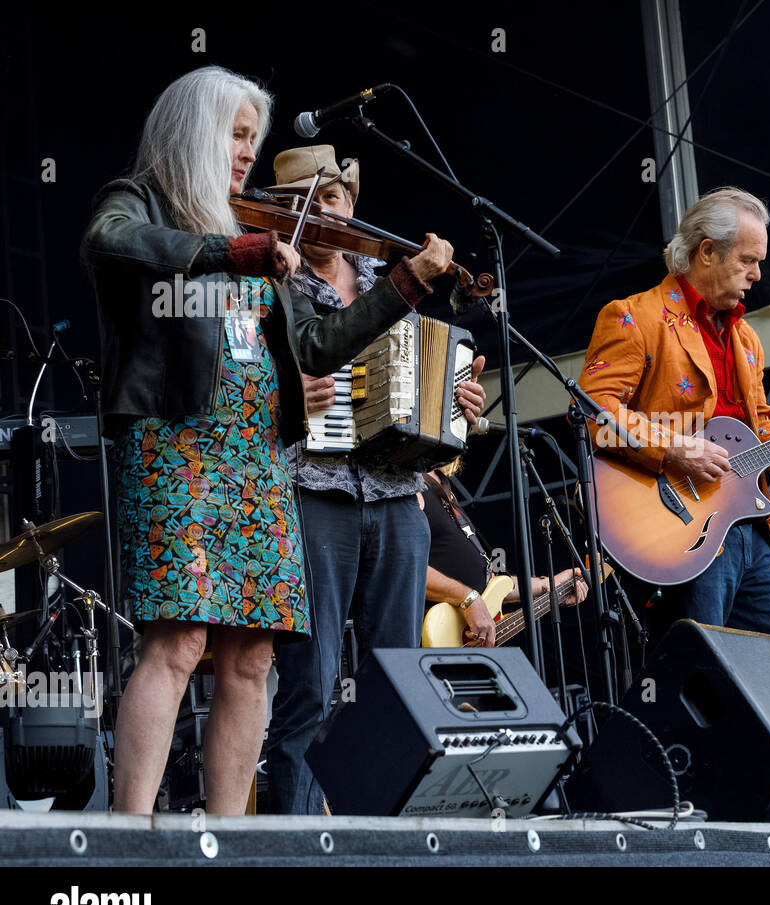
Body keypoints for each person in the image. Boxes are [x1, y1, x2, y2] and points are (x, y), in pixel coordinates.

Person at [81, 66, 457, 814]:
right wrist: (234, 253)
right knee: (180, 641)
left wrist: (403, 285)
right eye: (236, 134)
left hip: (256, 458)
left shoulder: (254, 225)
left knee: (252, 658)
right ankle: (128, 834)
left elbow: (316, 345)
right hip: (177, 448)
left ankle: (231, 839)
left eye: (254, 136)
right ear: (196, 131)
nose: (249, 151)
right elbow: (111, 242)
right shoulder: (143, 202)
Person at [260, 145, 488, 814]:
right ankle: (298, 845)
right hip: (315, 493)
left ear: (351, 204)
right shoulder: (280, 286)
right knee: (312, 681)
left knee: (400, 680)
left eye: (334, 196)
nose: (325, 209)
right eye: (310, 198)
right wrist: (290, 388)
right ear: (285, 212)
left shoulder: (389, 279)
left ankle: (391, 827)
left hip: (397, 498)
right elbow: (254, 381)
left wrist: (458, 408)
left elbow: (425, 395)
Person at [578, 187, 770, 640]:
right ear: (707, 251)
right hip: (680, 532)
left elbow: (758, 436)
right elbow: (592, 412)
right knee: (701, 669)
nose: (758, 274)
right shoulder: (633, 316)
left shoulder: (746, 340)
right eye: (748, 260)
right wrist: (673, 449)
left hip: (750, 527)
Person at [420, 460, 587, 647]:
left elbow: (494, 587)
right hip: (429, 632)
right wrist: (468, 599)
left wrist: (550, 584)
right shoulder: (411, 485)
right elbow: (405, 568)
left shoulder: (444, 488)